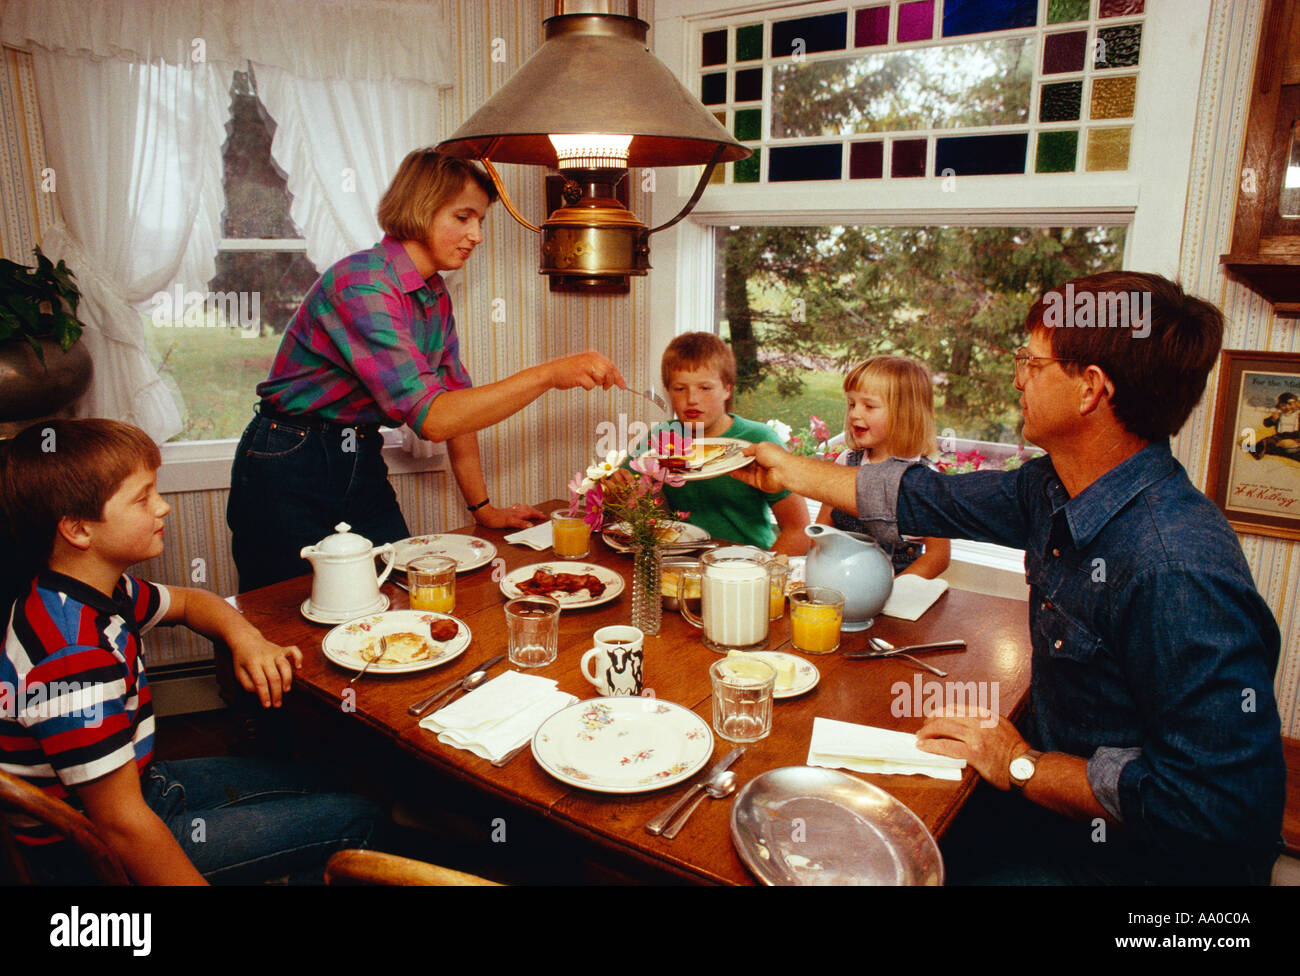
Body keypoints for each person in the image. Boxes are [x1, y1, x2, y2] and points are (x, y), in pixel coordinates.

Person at [734, 271, 1285, 884]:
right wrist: (788, 469)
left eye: (1032, 361)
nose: (1018, 375)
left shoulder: (1174, 566)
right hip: (1045, 807)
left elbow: (1221, 813)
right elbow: (929, 495)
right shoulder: (1052, 486)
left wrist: (1023, 764)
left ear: (1090, 391)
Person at [227, 148, 627, 591]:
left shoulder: (433, 295)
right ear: (420, 209)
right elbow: (434, 419)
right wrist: (550, 374)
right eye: (463, 217)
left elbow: (459, 411)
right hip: (290, 457)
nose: (475, 235)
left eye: (480, 221)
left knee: (401, 589)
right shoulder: (361, 283)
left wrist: (483, 509)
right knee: (281, 613)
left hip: (358, 452)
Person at [1, 419, 381, 884]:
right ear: (78, 529)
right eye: (142, 499)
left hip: (138, 787)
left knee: (333, 777)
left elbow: (189, 601)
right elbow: (122, 828)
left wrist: (247, 638)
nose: (162, 507)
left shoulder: (89, 590)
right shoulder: (73, 655)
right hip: (90, 854)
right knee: (358, 819)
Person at [650, 332, 809, 554]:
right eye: (680, 388)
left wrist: (764, 574)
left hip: (748, 567)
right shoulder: (662, 437)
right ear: (668, 391)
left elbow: (798, 529)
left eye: (705, 388)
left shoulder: (758, 440)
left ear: (727, 389)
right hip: (679, 565)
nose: (692, 399)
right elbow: (625, 495)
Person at [815, 356, 949, 577]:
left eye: (869, 406)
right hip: (839, 583)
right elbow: (821, 530)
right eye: (852, 404)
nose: (855, 414)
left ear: (905, 414)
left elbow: (938, 556)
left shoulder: (927, 481)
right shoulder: (846, 463)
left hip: (897, 591)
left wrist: (893, 591)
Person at [1251, 391, 1300, 461]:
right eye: (1284, 405)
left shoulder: (1298, 416)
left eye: (1290, 404)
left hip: (1295, 437)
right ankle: (1257, 454)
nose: (1287, 407)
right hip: (1280, 437)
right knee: (1265, 442)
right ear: (1279, 406)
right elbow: (1266, 424)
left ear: (1296, 404)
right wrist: (1273, 419)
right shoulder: (1278, 415)